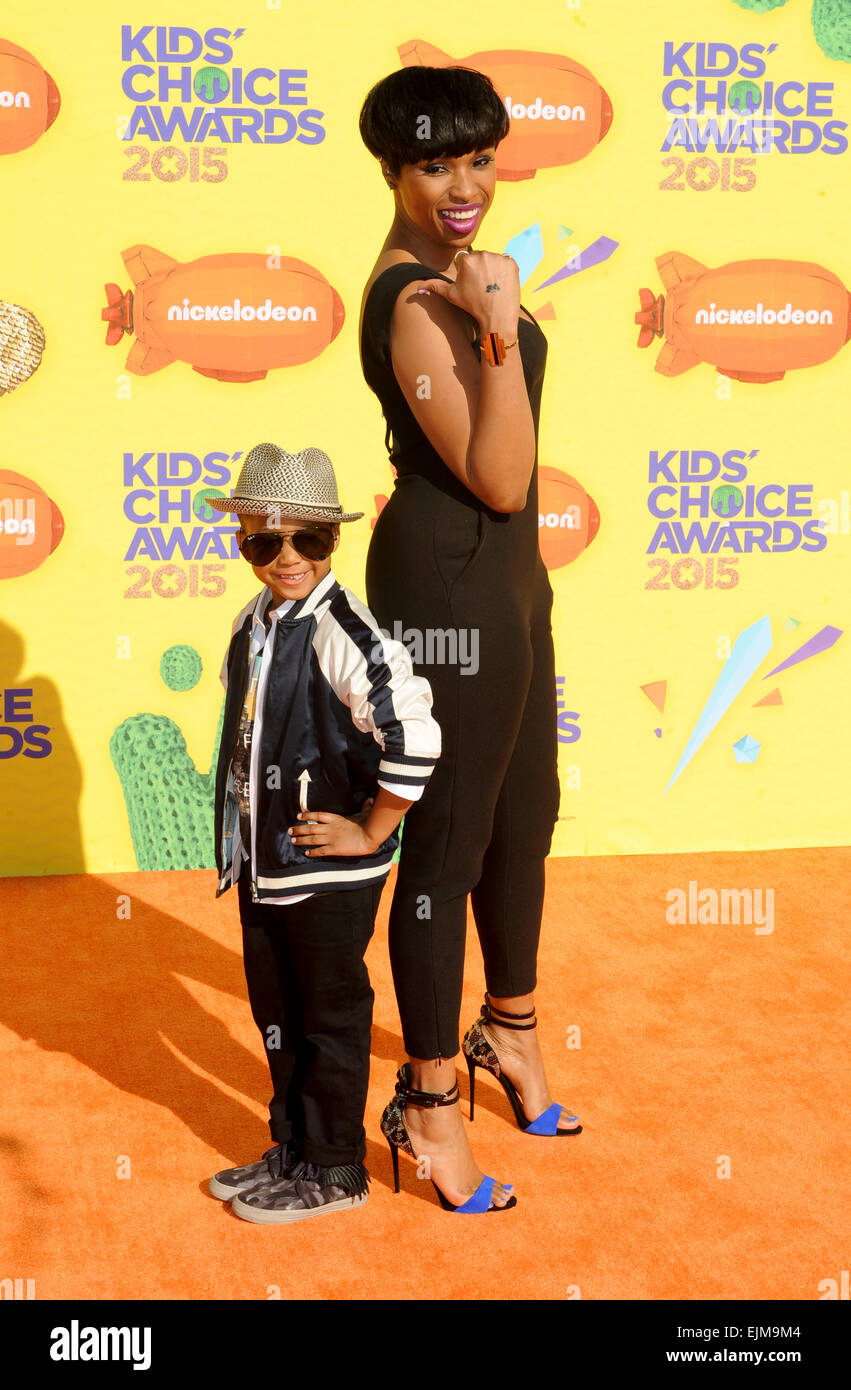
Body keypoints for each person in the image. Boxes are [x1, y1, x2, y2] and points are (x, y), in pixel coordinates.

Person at [358, 65, 583, 1215]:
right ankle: (430, 1100)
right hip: (444, 591)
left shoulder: (460, 274)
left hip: (510, 588)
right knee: (444, 847)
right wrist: (496, 329)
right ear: (392, 171)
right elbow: (497, 475)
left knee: (524, 820)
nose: (463, 185)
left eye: (479, 158)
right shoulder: (412, 299)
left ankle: (513, 1032)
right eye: (435, 162)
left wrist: (492, 314)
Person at [205, 442, 441, 1223]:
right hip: (267, 865)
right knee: (277, 1007)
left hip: (326, 873)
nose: (287, 557)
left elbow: (413, 731)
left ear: (333, 541)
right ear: (242, 540)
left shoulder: (346, 630)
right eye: (265, 541)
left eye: (307, 538)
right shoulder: (255, 621)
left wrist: (372, 829)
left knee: (329, 1013)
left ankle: (336, 1166)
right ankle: (295, 1148)